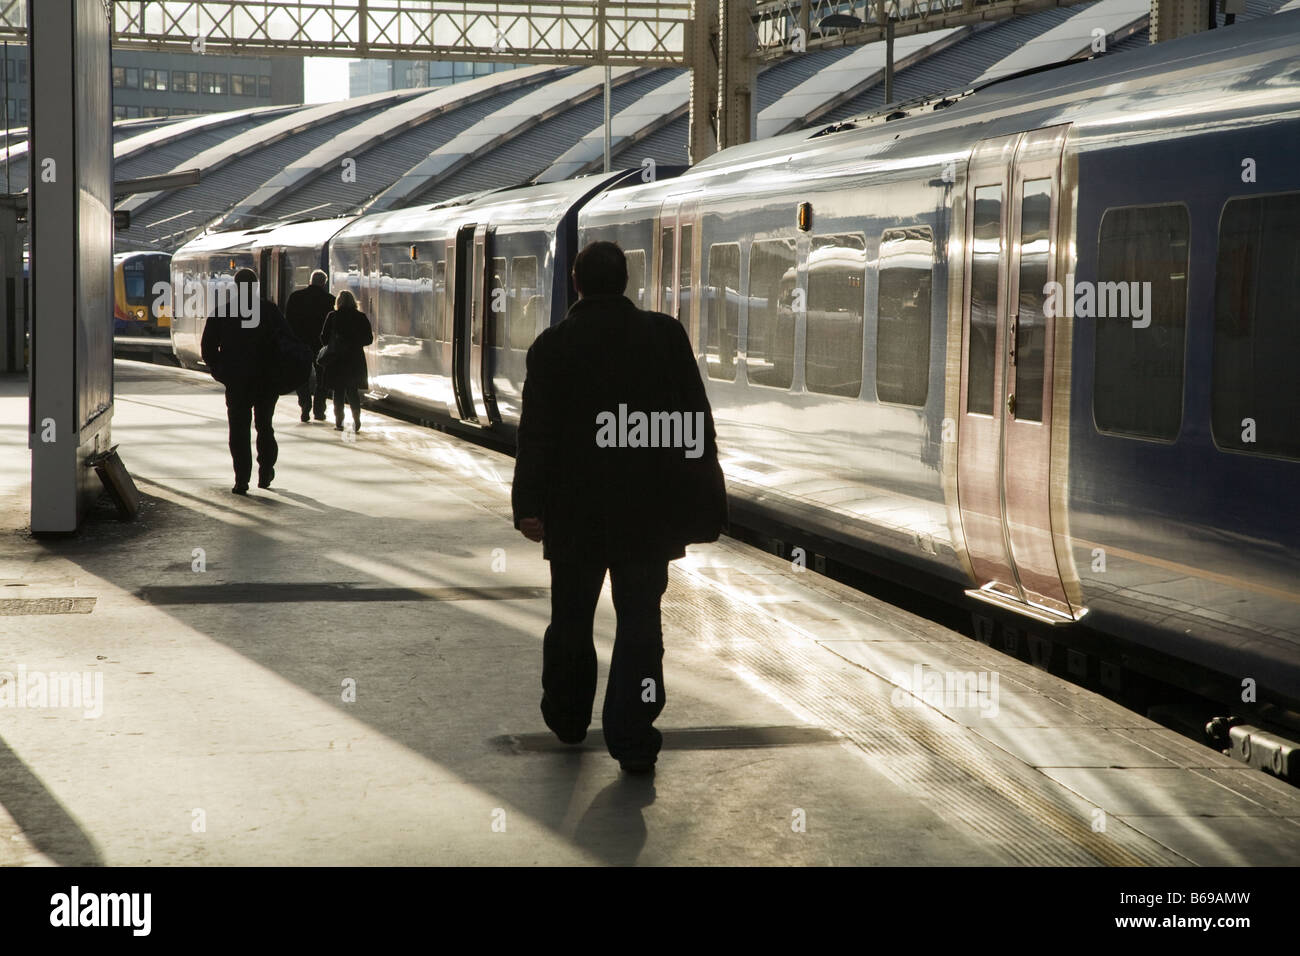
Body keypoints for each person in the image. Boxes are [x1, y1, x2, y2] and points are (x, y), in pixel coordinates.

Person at [511, 241, 726, 774]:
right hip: (647, 515)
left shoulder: (552, 346)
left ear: (577, 284)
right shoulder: (665, 336)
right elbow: (694, 424)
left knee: (570, 619)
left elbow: (535, 436)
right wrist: (701, 499)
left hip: (574, 513)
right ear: (625, 282)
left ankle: (566, 716)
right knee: (640, 625)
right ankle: (631, 735)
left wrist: (528, 505)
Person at [201, 268, 290, 494]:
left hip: (237, 381)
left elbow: (208, 349)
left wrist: (222, 372)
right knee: (264, 426)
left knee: (239, 430)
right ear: (256, 286)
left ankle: (242, 479)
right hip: (266, 380)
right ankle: (266, 471)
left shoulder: (223, 312)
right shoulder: (270, 311)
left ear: (236, 286)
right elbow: (288, 341)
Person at [284, 269, 335, 422]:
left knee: (301, 376)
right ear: (324, 283)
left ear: (310, 281)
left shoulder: (296, 297)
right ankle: (319, 409)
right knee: (322, 378)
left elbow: (288, 322)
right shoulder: (330, 300)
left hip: (300, 343)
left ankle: (305, 404)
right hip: (321, 346)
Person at [319, 290, 373, 433]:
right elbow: (369, 339)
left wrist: (335, 343)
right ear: (353, 302)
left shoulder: (333, 316)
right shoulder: (360, 317)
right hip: (354, 359)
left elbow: (323, 337)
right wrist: (354, 343)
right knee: (352, 391)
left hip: (337, 359)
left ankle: (339, 422)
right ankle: (356, 420)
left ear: (339, 302)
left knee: (339, 391)